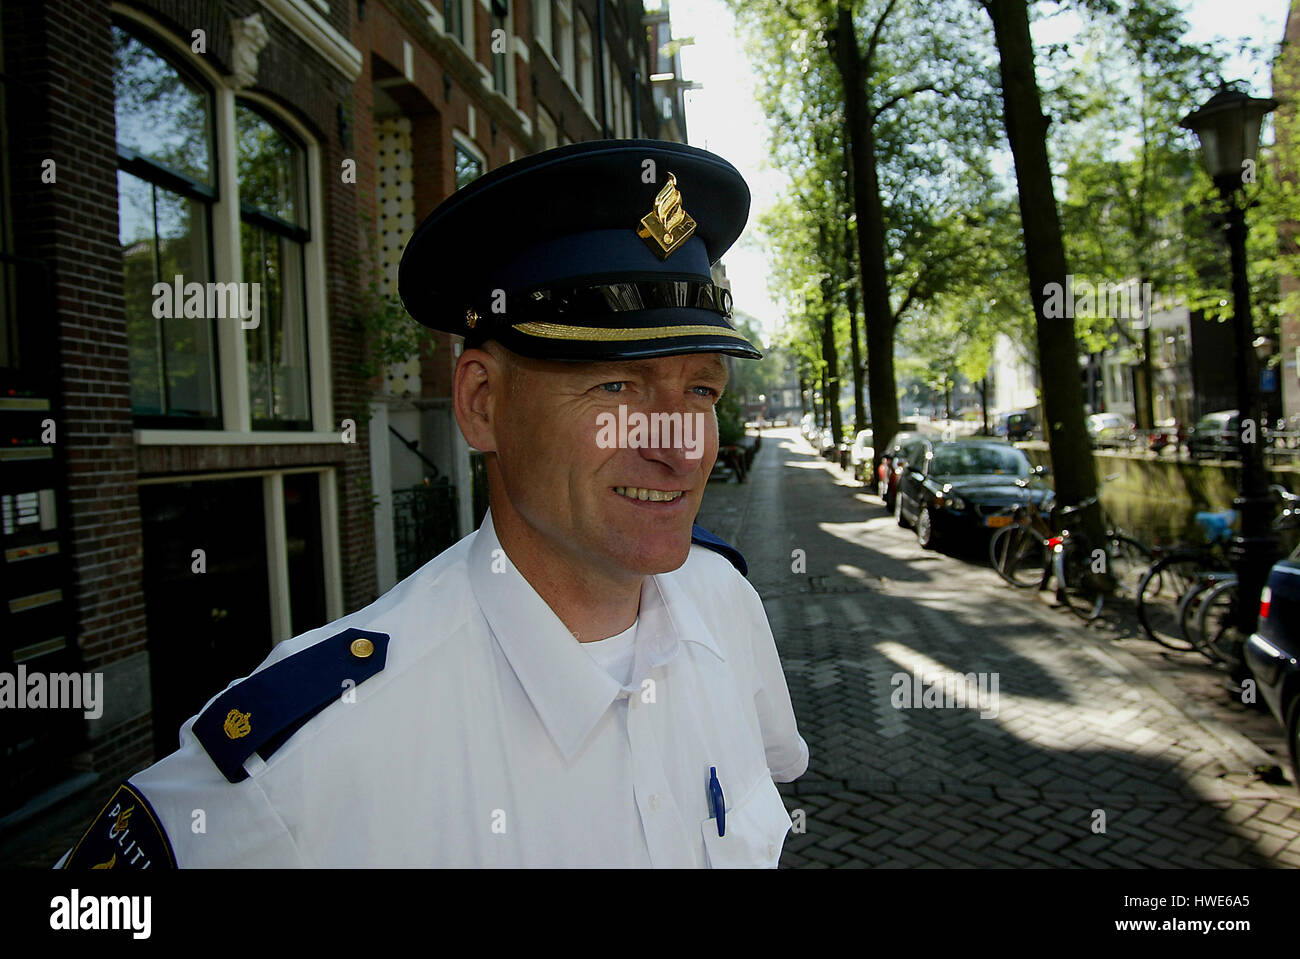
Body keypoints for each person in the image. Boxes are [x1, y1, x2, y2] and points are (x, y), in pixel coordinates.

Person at [57, 139, 807, 868]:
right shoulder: (310, 763)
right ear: (482, 404)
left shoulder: (726, 604)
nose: (679, 447)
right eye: (615, 387)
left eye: (701, 390)